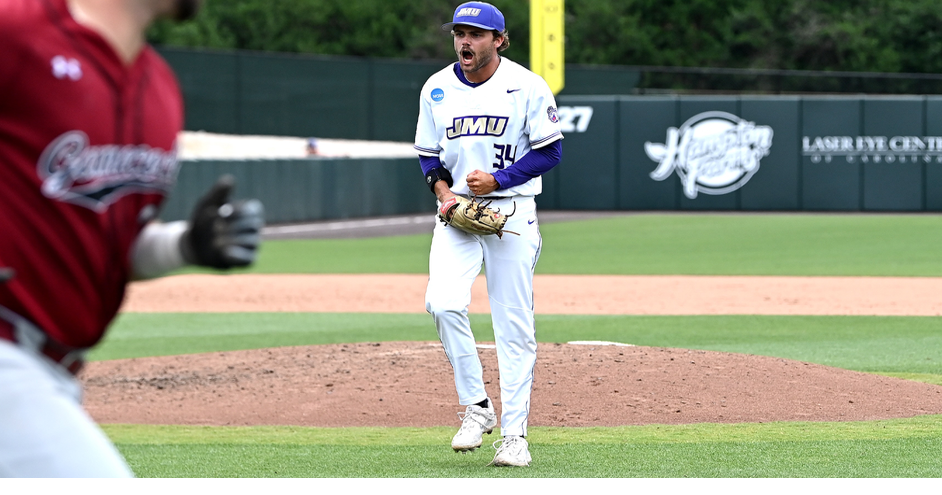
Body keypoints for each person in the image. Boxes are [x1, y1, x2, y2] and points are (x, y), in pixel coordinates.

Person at [0, 0, 264, 477]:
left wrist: (184, 246)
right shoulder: (18, 31)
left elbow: (105, 245)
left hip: (53, 371)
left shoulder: (159, 88)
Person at [413, 2, 563, 467]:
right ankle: (477, 406)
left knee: (512, 326)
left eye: (476, 34)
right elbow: (428, 156)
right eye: (460, 32)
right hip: (457, 213)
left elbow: (550, 152)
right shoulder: (436, 87)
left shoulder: (527, 86)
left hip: (512, 214)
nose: (465, 41)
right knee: (442, 302)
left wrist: (499, 181)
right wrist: (443, 193)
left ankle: (516, 436)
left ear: (499, 40)